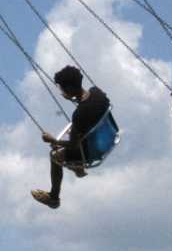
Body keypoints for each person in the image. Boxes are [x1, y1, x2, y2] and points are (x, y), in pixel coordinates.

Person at [30, 65, 111, 210]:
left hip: (91, 150)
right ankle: (77, 168)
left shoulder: (79, 114)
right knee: (67, 140)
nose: (61, 92)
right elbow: (92, 110)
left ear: (70, 89)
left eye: (62, 89)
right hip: (108, 136)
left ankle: (54, 198)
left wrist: (53, 140)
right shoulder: (97, 92)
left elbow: (73, 144)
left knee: (55, 154)